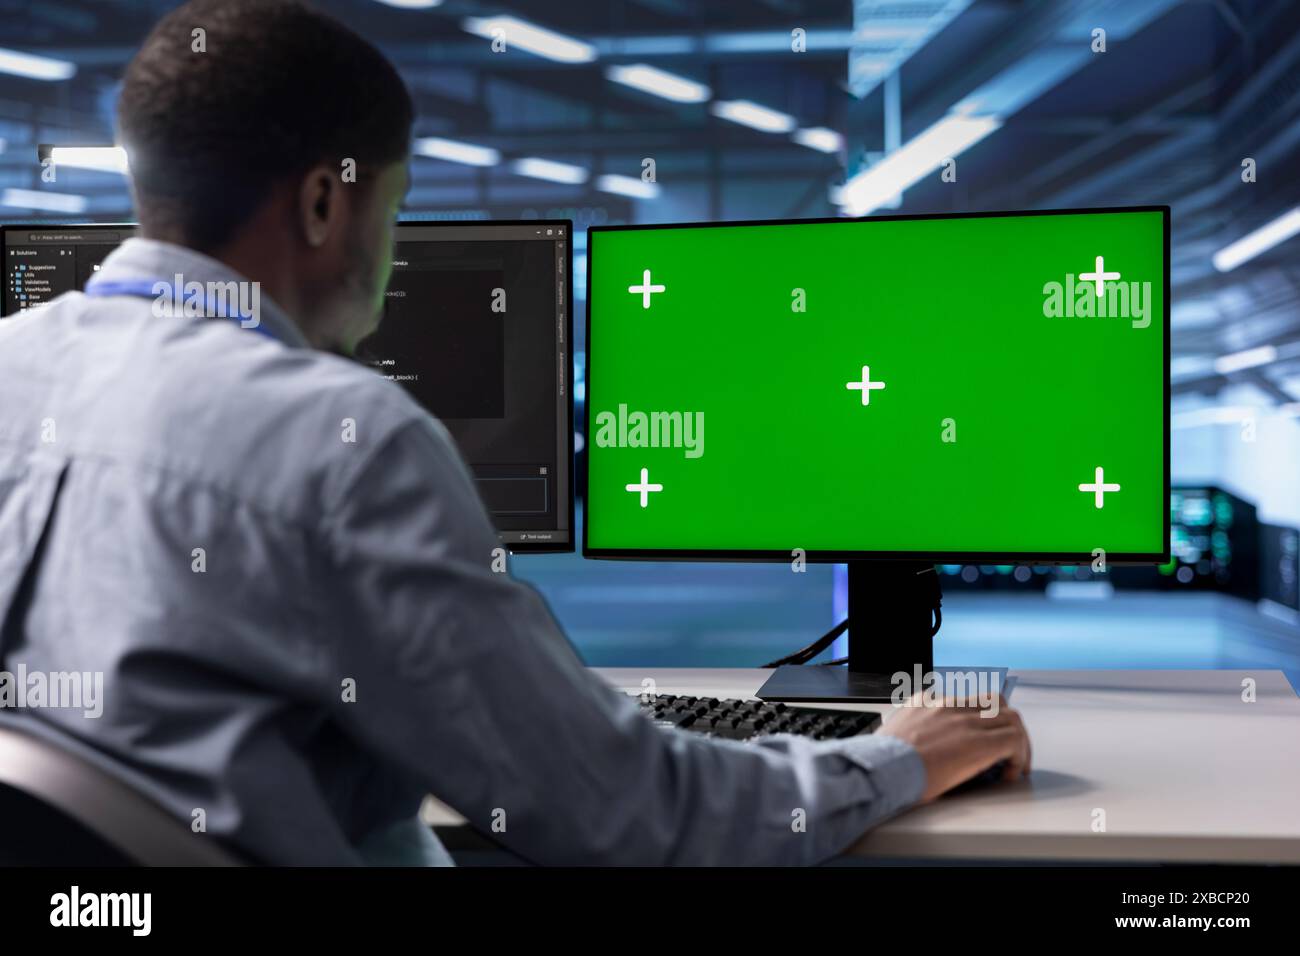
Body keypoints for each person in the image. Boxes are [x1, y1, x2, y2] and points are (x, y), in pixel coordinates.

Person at [0, 0, 1030, 866]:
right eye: (392, 210)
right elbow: (634, 815)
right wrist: (898, 755)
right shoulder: (339, 438)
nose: (389, 255)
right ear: (324, 202)